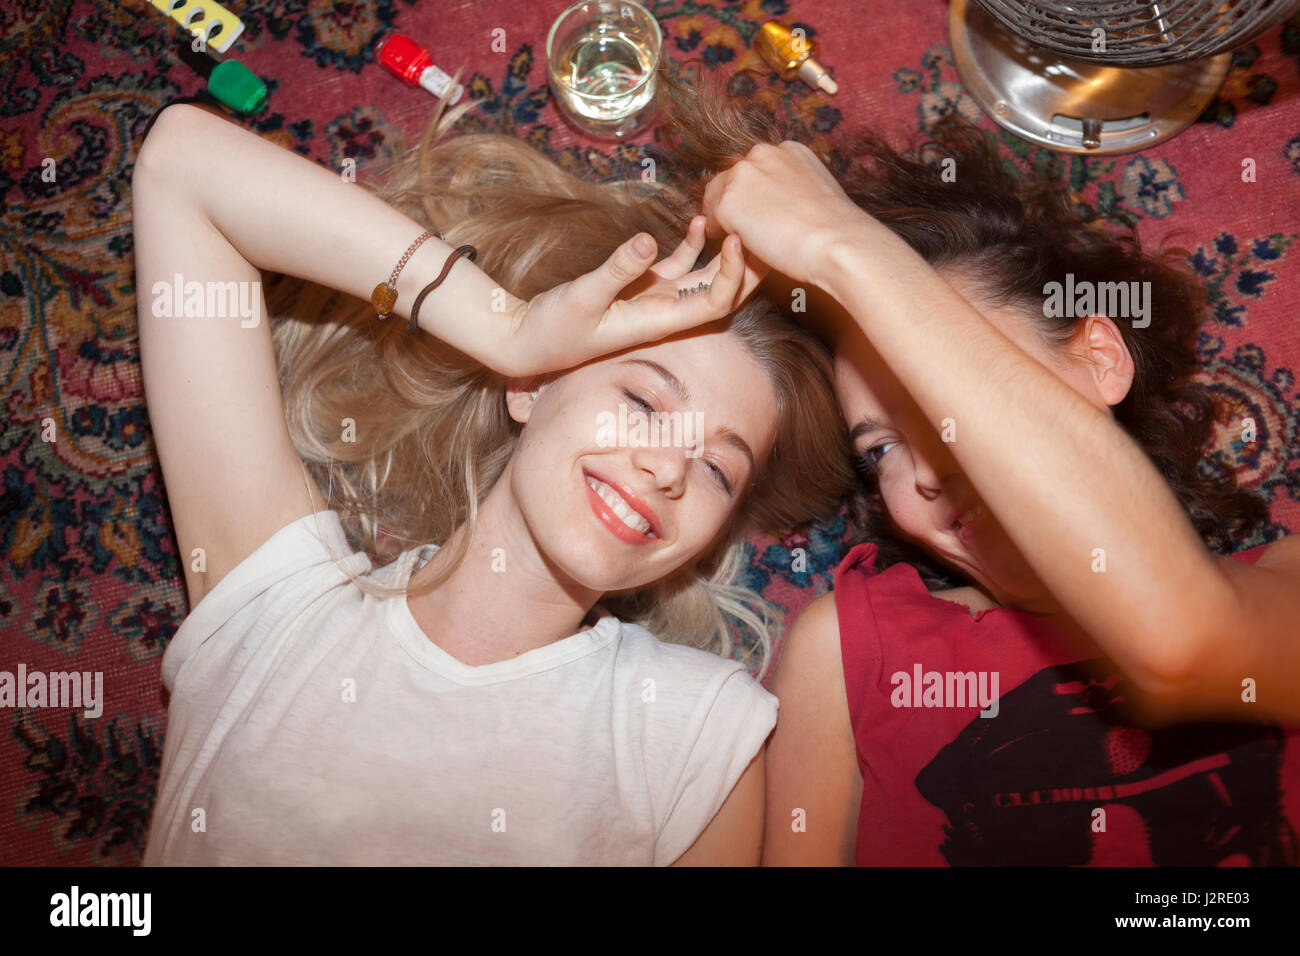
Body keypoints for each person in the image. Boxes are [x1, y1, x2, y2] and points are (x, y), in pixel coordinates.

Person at [131, 94, 853, 865]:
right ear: (532, 387)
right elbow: (183, 168)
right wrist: (505, 327)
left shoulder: (692, 732)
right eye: (643, 401)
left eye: (716, 468)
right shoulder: (276, 601)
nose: (669, 468)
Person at [657, 70, 1300, 866]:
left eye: (945, 389)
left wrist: (845, 247)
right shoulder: (855, 649)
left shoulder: (1281, 583)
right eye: (881, 448)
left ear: (1100, 360)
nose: (926, 468)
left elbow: (1184, 643)